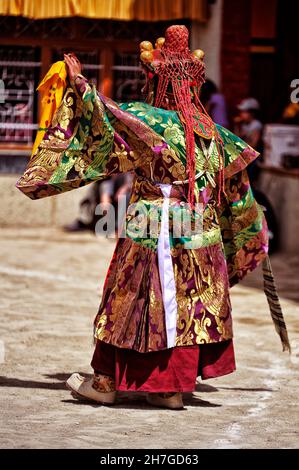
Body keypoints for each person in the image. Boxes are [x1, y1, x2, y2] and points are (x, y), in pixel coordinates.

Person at [16, 25, 290, 410]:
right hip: (202, 236)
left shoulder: (155, 122)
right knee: (188, 304)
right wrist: (250, 240)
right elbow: (240, 200)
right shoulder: (218, 134)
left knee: (131, 298)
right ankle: (168, 388)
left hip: (153, 227)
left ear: (159, 82)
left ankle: (106, 382)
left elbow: (106, 117)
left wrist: (79, 83)